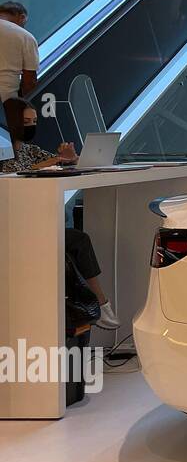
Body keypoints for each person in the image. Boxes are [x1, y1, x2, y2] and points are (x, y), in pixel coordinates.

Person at [2, 97, 118, 330]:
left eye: (34, 121)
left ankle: (96, 306)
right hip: (14, 227)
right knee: (76, 242)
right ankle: (99, 305)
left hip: (37, 222)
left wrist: (69, 157)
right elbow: (14, 174)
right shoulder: (4, 152)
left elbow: (54, 162)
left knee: (76, 242)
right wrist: (51, 162)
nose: (31, 126)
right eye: (26, 121)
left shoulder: (29, 150)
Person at [0, 1, 38, 102]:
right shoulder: (25, 36)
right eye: (24, 23)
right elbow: (30, 80)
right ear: (22, 17)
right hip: (6, 98)